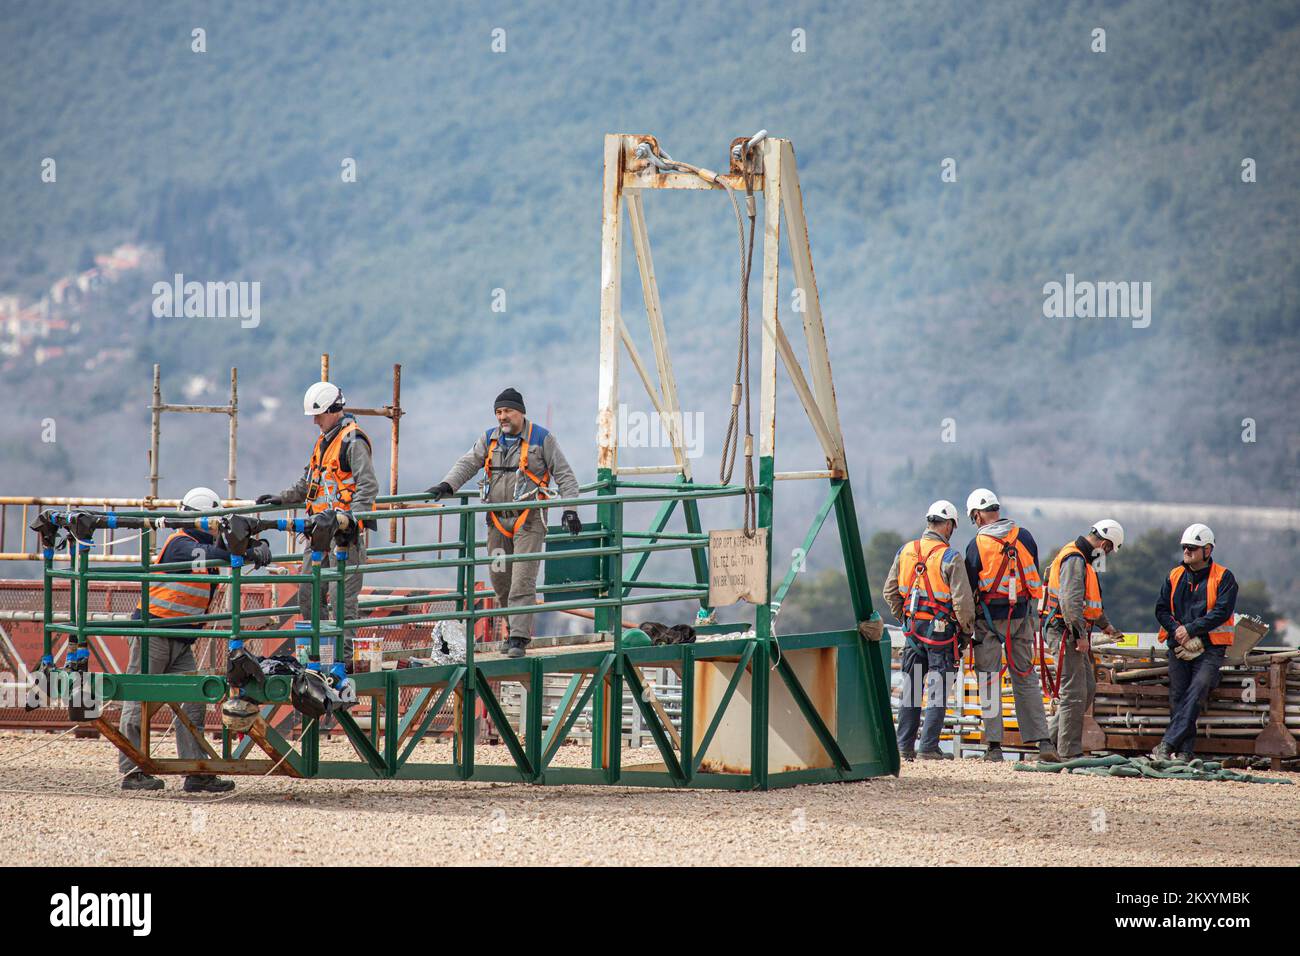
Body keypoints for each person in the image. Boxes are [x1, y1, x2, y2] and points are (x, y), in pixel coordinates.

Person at [120, 486, 271, 792]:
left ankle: (195, 771)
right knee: (139, 702)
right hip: (153, 633)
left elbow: (221, 552)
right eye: (214, 521)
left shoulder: (210, 552)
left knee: (193, 704)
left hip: (182, 641)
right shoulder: (180, 544)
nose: (218, 527)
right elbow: (208, 555)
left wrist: (255, 544)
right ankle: (132, 771)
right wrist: (244, 552)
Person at [426, 388, 581, 658]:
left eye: (507, 411)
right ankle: (512, 629)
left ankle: (519, 639)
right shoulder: (490, 439)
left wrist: (570, 510)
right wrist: (447, 485)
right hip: (497, 522)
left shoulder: (542, 439)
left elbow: (566, 477)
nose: (502, 417)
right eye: (498, 412)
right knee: (500, 577)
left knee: (523, 578)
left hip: (528, 522)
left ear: (521, 412)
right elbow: (467, 463)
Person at [256, 382, 377, 666]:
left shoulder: (352, 441)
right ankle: (318, 654)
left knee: (341, 599)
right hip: (317, 534)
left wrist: (352, 520)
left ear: (334, 411)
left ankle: (342, 660)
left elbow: (368, 485)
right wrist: (281, 499)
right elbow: (308, 483)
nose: (314, 421)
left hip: (344, 538)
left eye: (318, 415)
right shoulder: (325, 442)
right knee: (309, 595)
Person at [963, 488, 1058, 762]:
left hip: (988, 623)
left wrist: (965, 628)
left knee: (990, 681)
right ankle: (1043, 743)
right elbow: (1033, 578)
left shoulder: (976, 544)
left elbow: (969, 591)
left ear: (978, 515)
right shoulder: (1024, 536)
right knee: (1026, 678)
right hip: (1021, 620)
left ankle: (994, 747)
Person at [883, 500, 975, 761]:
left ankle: (904, 747)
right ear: (947, 525)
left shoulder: (906, 551)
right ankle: (928, 748)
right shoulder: (950, 557)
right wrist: (965, 633)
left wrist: (906, 619)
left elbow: (889, 592)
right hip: (941, 634)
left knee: (911, 689)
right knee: (938, 689)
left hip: (912, 633)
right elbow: (963, 603)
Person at [1151, 523, 1238, 761]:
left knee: (1197, 690)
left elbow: (1221, 612)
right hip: (1178, 647)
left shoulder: (1224, 577)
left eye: (1192, 548)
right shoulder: (1174, 575)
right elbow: (1161, 609)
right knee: (1178, 697)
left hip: (1211, 648)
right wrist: (1178, 631)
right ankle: (1185, 751)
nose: (1187, 551)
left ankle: (1168, 744)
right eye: (1185, 547)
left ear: (1207, 551)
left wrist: (1191, 630)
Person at [1040, 521, 1125, 760]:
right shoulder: (1075, 559)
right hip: (1065, 633)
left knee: (1086, 689)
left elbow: (1090, 604)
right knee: (1073, 692)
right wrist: (1080, 636)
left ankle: (1047, 742)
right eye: (1108, 551)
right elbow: (1071, 603)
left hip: (1070, 631)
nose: (1106, 556)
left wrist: (1105, 625)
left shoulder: (1083, 561)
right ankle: (1068, 752)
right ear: (1105, 544)